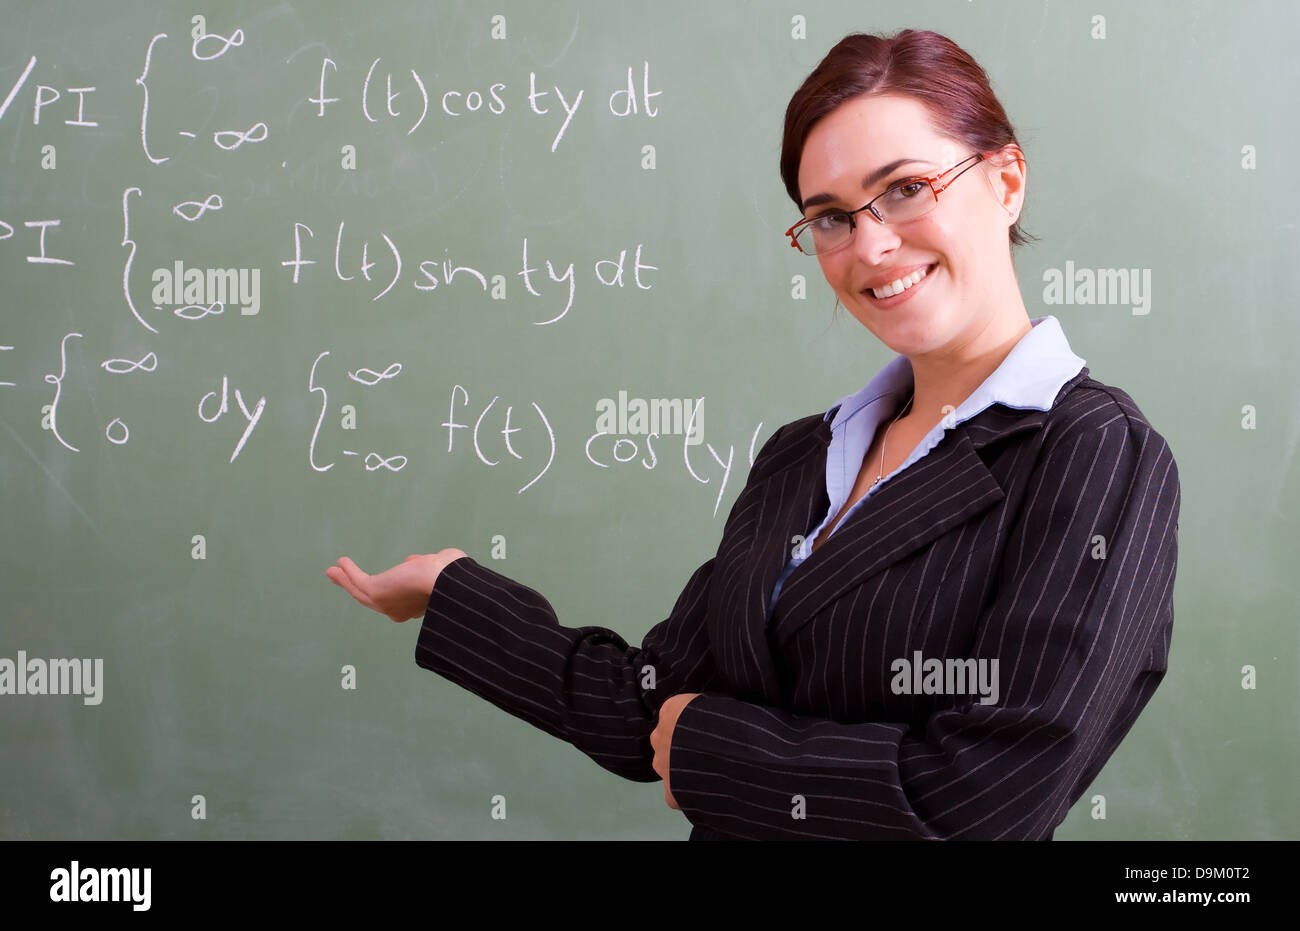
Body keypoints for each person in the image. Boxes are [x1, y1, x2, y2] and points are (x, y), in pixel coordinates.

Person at [326, 29, 1180, 840]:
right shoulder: (802, 456)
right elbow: (650, 708)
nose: (872, 245)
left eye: (907, 188)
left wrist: (712, 749)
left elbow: (984, 799)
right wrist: (454, 594)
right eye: (833, 217)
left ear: (1006, 179)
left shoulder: (1095, 452)